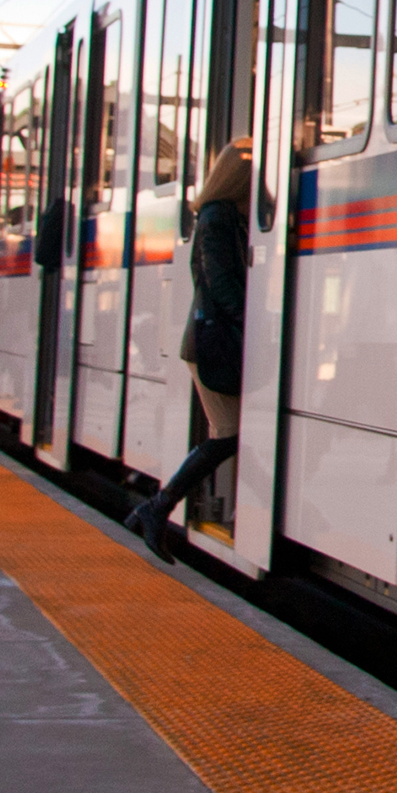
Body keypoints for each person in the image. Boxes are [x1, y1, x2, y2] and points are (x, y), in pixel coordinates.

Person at [125, 139, 250, 561]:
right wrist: (252, 320)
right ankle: (158, 507)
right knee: (227, 434)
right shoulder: (218, 217)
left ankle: (157, 508)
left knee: (231, 434)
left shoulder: (222, 215)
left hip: (211, 341)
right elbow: (221, 283)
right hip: (212, 343)